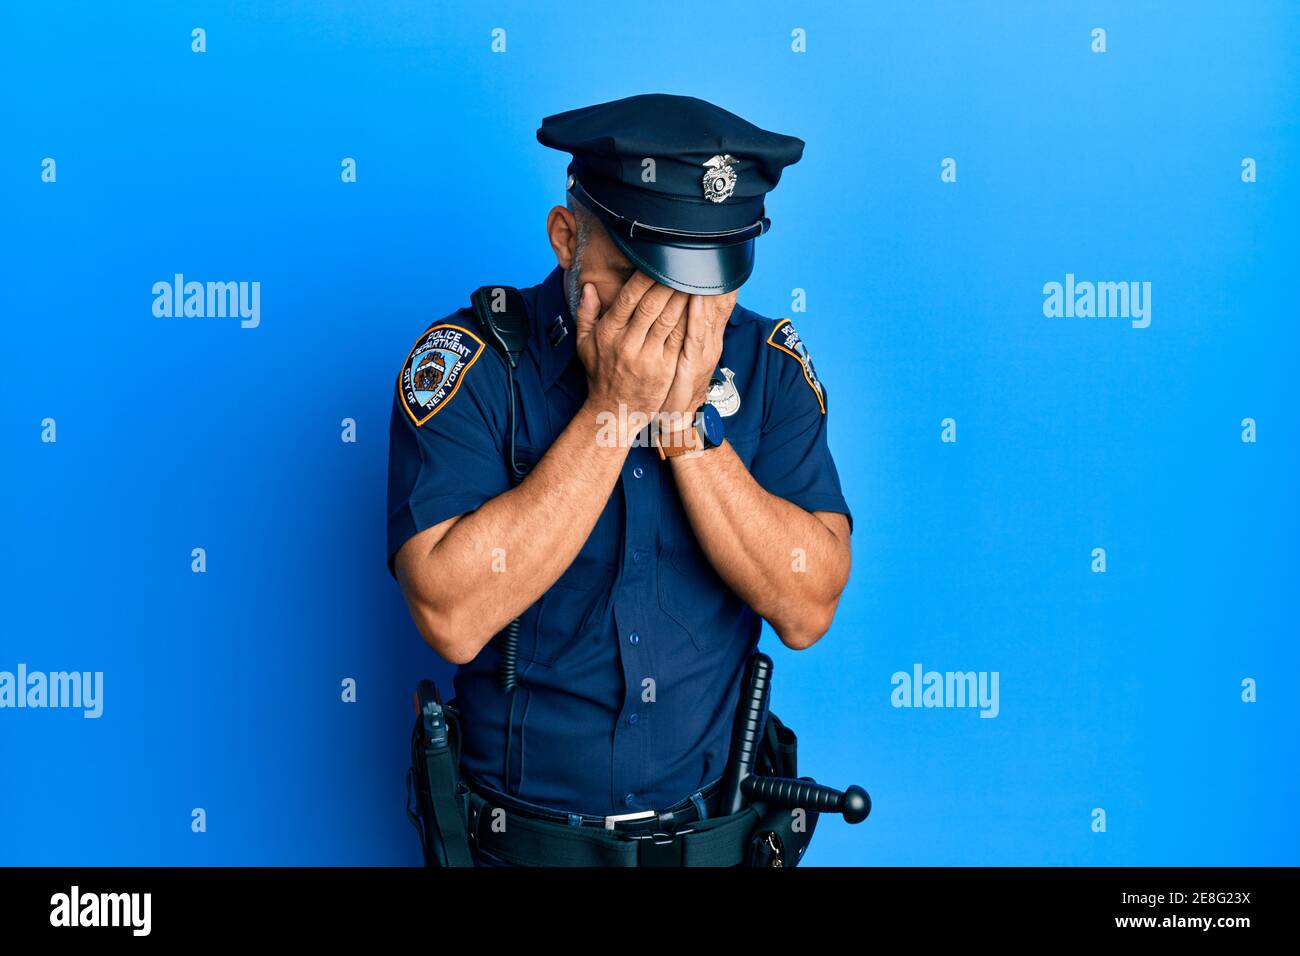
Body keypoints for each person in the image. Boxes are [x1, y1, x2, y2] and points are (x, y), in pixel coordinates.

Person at [388, 93, 853, 866]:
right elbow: (451, 616)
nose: (671, 317)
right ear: (567, 238)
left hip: (713, 840)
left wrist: (686, 431)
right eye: (641, 277)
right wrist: (613, 410)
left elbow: (809, 606)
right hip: (521, 849)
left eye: (703, 283)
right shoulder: (471, 367)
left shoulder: (765, 363)